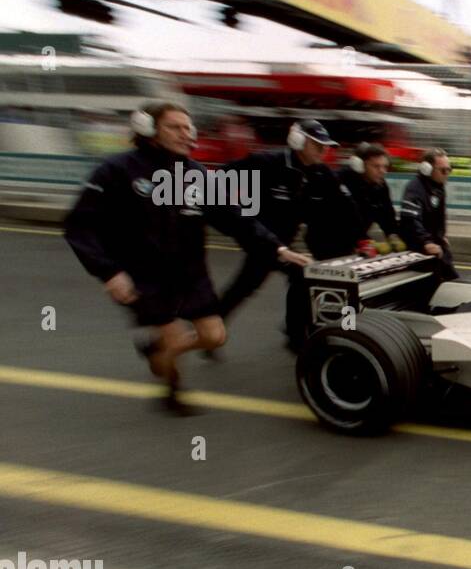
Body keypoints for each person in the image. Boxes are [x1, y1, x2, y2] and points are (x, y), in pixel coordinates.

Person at [64, 100, 308, 413]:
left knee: (214, 336)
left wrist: (277, 247)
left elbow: (234, 218)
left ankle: (157, 351)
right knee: (173, 336)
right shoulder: (115, 170)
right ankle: (172, 390)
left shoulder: (196, 174)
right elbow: (78, 226)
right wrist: (109, 273)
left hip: (191, 274)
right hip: (144, 276)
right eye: (174, 127)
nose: (185, 134)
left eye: (187, 128)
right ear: (148, 129)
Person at [216, 119, 360, 350]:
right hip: (260, 240)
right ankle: (293, 337)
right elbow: (218, 179)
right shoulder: (266, 162)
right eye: (318, 145)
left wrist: (358, 238)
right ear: (297, 141)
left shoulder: (321, 173)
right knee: (292, 276)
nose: (324, 151)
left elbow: (346, 206)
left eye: (325, 146)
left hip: (286, 242)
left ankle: (214, 327)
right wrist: (240, 211)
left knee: (250, 285)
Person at [397, 147, 459, 280]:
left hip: (435, 243)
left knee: (452, 278)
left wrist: (441, 235)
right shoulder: (414, 188)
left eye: (449, 169)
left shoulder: (438, 187)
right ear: (427, 169)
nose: (447, 173)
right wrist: (426, 242)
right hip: (419, 247)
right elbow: (410, 219)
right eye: (443, 170)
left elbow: (437, 216)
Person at [338, 142, 405, 251]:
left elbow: (387, 214)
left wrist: (392, 234)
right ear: (360, 165)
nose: (382, 171)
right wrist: (362, 240)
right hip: (334, 239)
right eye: (376, 166)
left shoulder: (380, 185)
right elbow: (347, 219)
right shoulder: (342, 182)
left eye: (385, 167)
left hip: (357, 240)